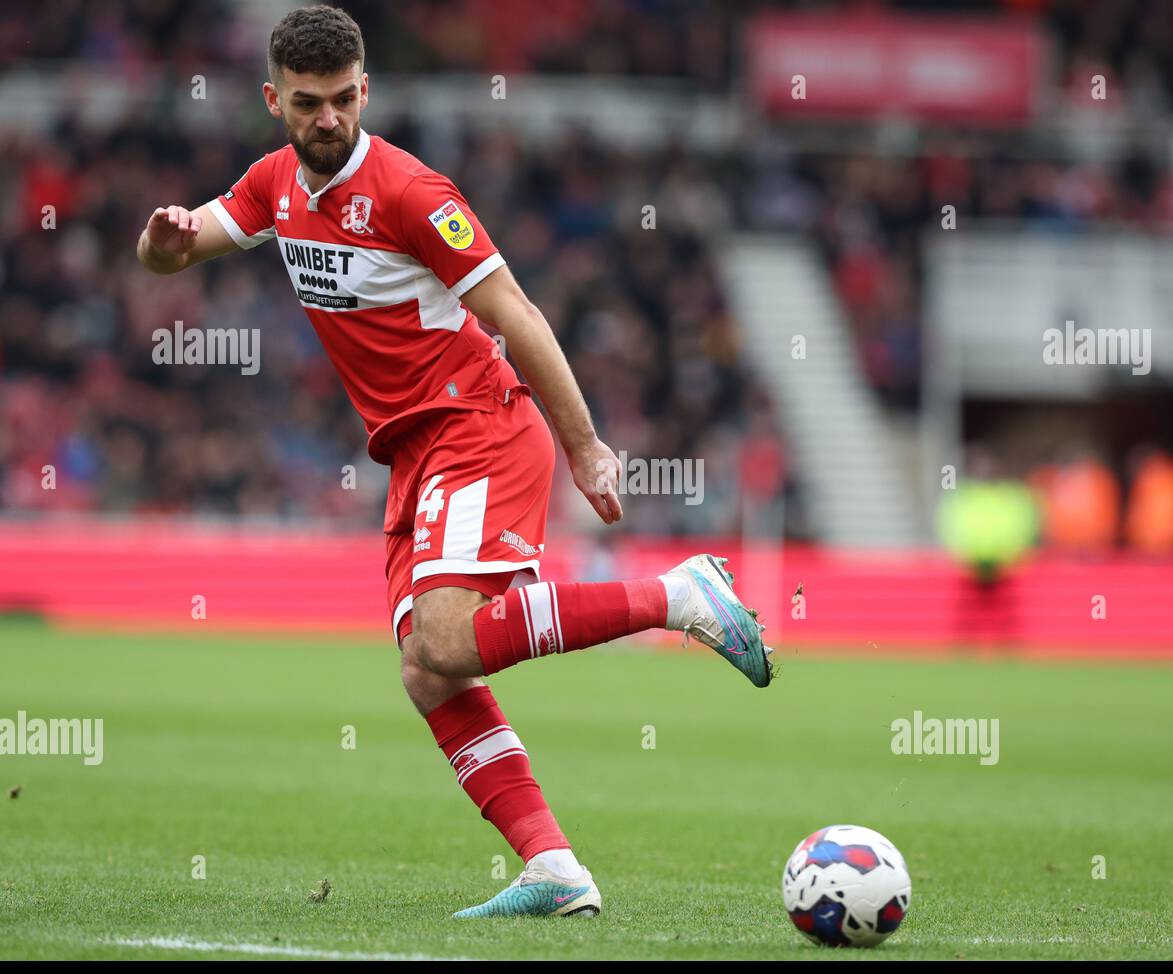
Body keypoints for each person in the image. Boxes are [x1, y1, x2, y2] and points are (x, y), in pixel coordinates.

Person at [135, 5, 772, 919]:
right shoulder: (273, 185)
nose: (329, 119)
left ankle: (678, 597)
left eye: (345, 99)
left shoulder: (411, 192)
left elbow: (516, 311)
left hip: (480, 422)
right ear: (273, 99)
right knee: (429, 671)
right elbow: (182, 243)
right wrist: (161, 244)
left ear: (368, 90)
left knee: (445, 636)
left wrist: (587, 446)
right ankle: (554, 867)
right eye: (309, 103)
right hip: (413, 450)